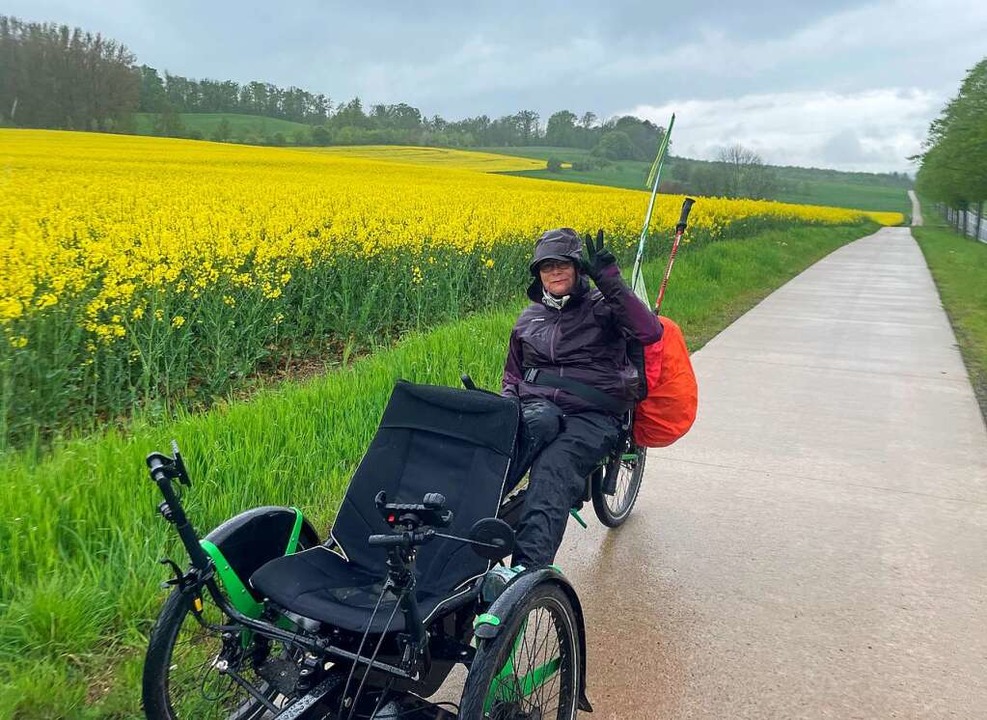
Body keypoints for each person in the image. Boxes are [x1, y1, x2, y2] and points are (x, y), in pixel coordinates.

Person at [501, 227, 662, 568]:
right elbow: (512, 374)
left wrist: (610, 281)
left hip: (592, 415)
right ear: (538, 274)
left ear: (577, 269)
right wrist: (505, 411)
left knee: (552, 470)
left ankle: (524, 576)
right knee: (496, 458)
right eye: (547, 267)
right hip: (538, 408)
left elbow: (649, 330)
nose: (555, 272)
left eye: (562, 264)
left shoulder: (604, 308)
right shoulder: (529, 318)